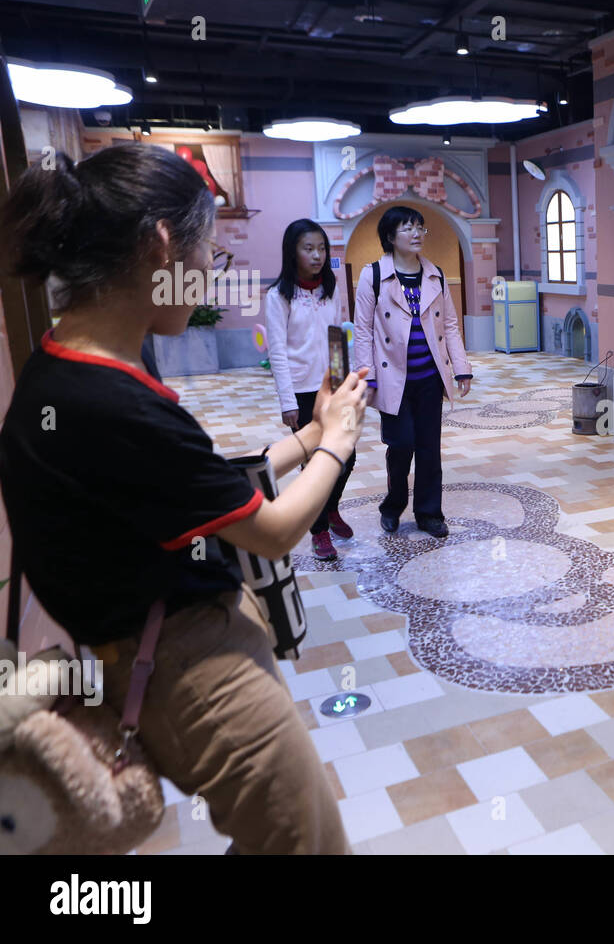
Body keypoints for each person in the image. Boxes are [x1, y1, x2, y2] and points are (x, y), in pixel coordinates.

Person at [0, 143, 369, 854]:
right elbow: (274, 528)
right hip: (191, 668)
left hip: (145, 648)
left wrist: (312, 431)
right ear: (160, 246)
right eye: (209, 255)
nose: (207, 277)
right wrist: (339, 442)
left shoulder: (64, 370)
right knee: (307, 844)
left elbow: (203, 483)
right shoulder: (115, 402)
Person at [353, 205, 471, 537]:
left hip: (429, 378)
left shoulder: (436, 274)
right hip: (393, 379)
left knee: (429, 448)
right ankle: (392, 505)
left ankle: (429, 513)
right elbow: (363, 330)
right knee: (401, 444)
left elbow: (449, 325)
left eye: (420, 227)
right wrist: (368, 375)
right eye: (408, 228)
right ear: (390, 237)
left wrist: (460, 368)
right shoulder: (373, 275)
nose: (417, 233)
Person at [265, 218, 355, 560]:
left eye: (321, 249)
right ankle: (318, 531)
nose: (316, 255)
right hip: (301, 392)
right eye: (308, 249)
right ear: (293, 252)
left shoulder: (330, 289)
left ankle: (330, 508)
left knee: (347, 456)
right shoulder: (278, 296)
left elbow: (336, 337)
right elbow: (277, 351)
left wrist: (342, 382)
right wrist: (288, 401)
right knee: (314, 462)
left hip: (330, 387)